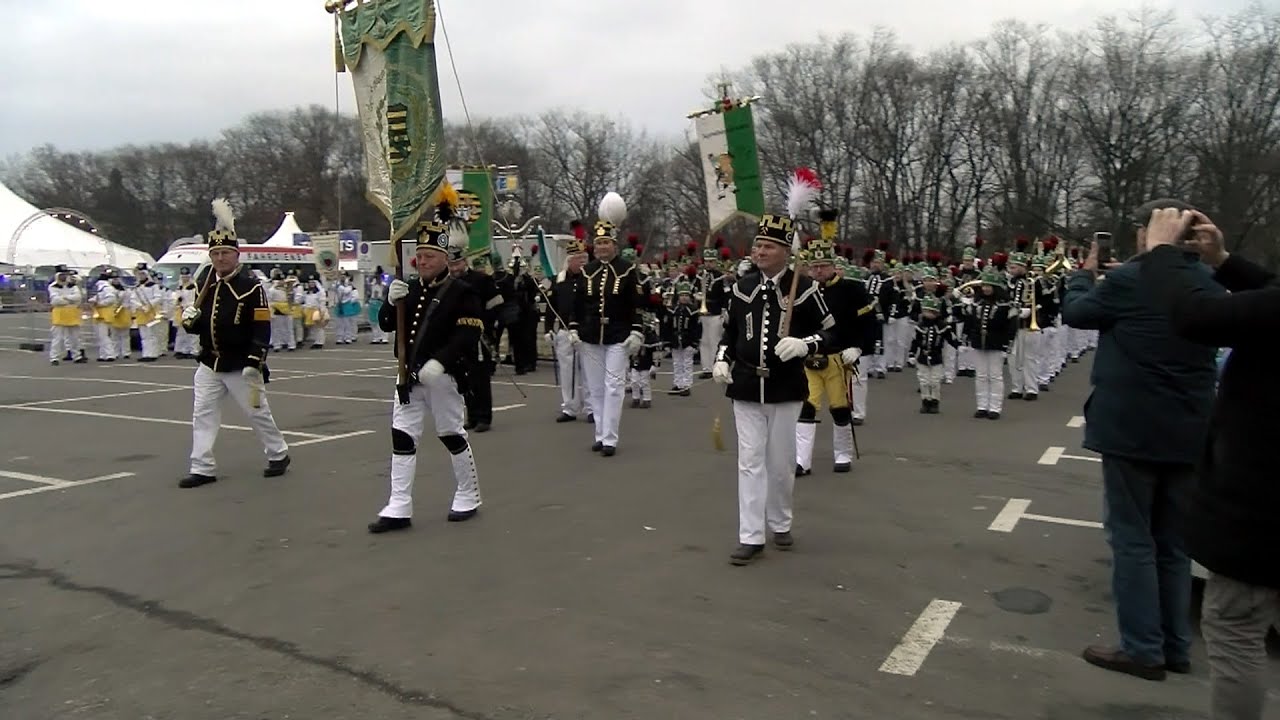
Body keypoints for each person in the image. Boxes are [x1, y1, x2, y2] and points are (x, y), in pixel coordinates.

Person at [1062, 198, 1223, 682]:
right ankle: (1175, 645)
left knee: (1132, 539)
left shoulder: (1131, 282)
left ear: (1150, 234)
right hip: (1189, 428)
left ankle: (1142, 648)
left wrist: (1082, 274)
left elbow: (1076, 313)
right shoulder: (1208, 282)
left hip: (1132, 427)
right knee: (1172, 544)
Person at [1140, 206, 1280, 719]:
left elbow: (1197, 316)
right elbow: (1268, 298)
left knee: (1236, 625)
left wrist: (1161, 254)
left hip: (1263, 509)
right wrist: (1223, 261)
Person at [713, 212, 837, 566]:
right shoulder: (742, 288)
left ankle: (780, 521)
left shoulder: (805, 288)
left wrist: (806, 344)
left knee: (780, 463)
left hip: (785, 387)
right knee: (749, 462)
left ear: (786, 251)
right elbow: (730, 335)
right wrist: (722, 359)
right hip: (747, 384)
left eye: (768, 246)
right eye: (757, 245)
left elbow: (832, 333)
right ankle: (750, 535)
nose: (760, 251)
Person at [367, 218, 484, 533]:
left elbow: (468, 334)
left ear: (445, 257)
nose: (422, 260)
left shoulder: (461, 291)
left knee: (451, 434)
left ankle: (468, 493)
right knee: (402, 437)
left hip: (443, 378)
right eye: (419, 254)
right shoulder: (410, 286)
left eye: (430, 255)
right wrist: (390, 302)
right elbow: (387, 325)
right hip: (408, 377)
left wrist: (441, 362)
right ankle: (399, 504)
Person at [179, 199, 290, 489]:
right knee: (202, 413)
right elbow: (203, 323)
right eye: (215, 253)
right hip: (209, 362)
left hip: (241, 363)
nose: (220, 259)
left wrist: (256, 361)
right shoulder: (206, 283)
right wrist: (191, 321)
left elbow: (262, 325)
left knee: (257, 412)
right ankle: (202, 466)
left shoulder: (251, 285)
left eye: (225, 253)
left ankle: (278, 453)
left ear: (236, 255)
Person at [795, 219, 878, 476]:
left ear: (833, 266)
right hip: (808, 359)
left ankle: (842, 454)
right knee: (807, 406)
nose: (818, 270)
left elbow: (869, 325)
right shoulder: (802, 290)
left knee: (840, 408)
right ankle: (802, 459)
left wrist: (859, 348)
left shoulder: (852, 290)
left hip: (839, 359)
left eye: (823, 266)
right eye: (814, 266)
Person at [569, 193, 645, 457]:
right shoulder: (587, 271)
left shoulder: (626, 270)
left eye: (606, 243)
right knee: (596, 388)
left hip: (617, 336)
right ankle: (600, 434)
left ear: (615, 244)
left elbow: (636, 304)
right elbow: (577, 304)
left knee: (614, 386)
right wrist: (573, 328)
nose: (602, 247)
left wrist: (637, 331)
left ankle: (611, 438)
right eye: (598, 243)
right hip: (590, 336)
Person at [545, 223, 593, 423]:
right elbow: (550, 306)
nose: (582, 262)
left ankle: (591, 407)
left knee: (589, 371)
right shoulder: (558, 281)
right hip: (564, 331)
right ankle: (570, 407)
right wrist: (549, 329)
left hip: (586, 331)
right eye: (578, 259)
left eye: (584, 259)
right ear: (569, 260)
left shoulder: (590, 279)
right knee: (567, 371)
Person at [449, 249, 500, 433]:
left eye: (457, 264)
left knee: (480, 378)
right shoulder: (448, 283)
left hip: (480, 336)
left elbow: (495, 306)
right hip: (457, 337)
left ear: (465, 262)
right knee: (463, 378)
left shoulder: (481, 280)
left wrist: (483, 326)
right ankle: (472, 415)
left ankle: (484, 417)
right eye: (451, 265)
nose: (455, 268)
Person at [956, 270, 1015, 419]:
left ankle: (995, 407)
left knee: (995, 376)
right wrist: (965, 337)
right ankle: (982, 406)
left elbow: (1010, 327)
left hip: (996, 343)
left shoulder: (1005, 305)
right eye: (984, 285)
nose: (986, 289)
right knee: (981, 375)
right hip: (978, 342)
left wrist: (1007, 344)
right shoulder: (977, 302)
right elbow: (969, 321)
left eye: (989, 286)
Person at [910, 296, 960, 414]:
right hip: (922, 357)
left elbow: (950, 338)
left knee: (935, 381)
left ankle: (935, 402)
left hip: (936, 357)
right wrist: (911, 354)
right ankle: (925, 401)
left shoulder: (942, 326)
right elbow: (915, 341)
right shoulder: (920, 326)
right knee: (923, 380)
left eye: (931, 312)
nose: (927, 314)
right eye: (926, 311)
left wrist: (958, 345)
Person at [47, 265, 85, 365]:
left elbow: (78, 297)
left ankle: (77, 356)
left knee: (75, 337)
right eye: (62, 274)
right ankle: (54, 357)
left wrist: (64, 298)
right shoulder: (53, 286)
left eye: (65, 274)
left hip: (72, 313)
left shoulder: (73, 286)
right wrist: (70, 299)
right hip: (59, 314)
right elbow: (55, 300)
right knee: (57, 338)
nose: (64, 276)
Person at [172, 267, 201, 359]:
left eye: (186, 277)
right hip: (180, 311)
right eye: (183, 277)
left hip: (190, 311)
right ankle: (183, 350)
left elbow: (195, 300)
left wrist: (188, 306)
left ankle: (194, 350)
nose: (185, 279)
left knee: (192, 331)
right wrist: (177, 301)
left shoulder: (193, 287)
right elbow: (175, 298)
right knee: (181, 332)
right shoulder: (179, 287)